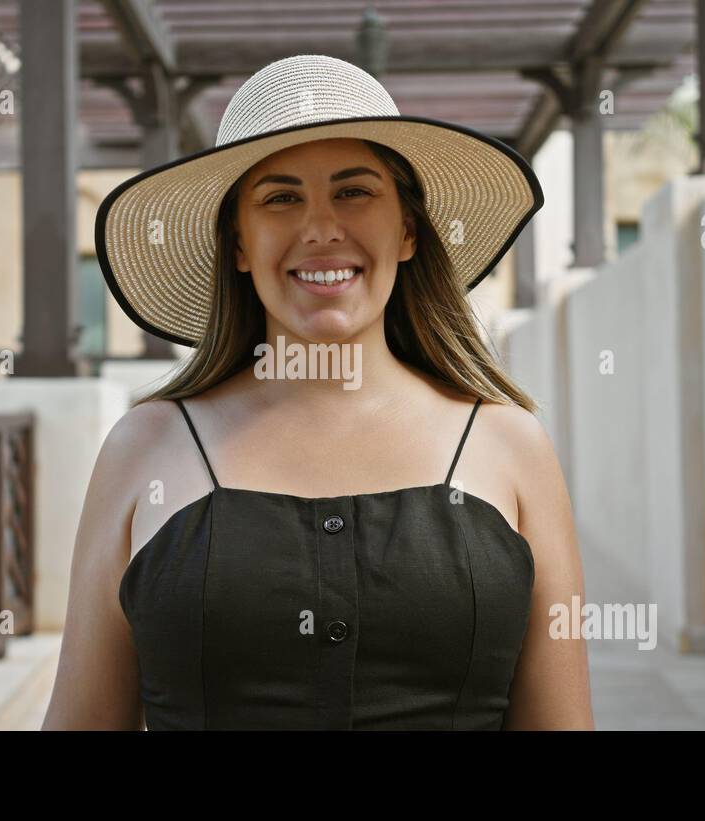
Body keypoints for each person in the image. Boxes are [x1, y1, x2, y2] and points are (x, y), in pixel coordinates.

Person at [42, 54, 592, 730]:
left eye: (354, 191)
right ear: (239, 243)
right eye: (281, 197)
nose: (322, 227)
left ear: (409, 231)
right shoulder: (145, 447)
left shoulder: (510, 446)